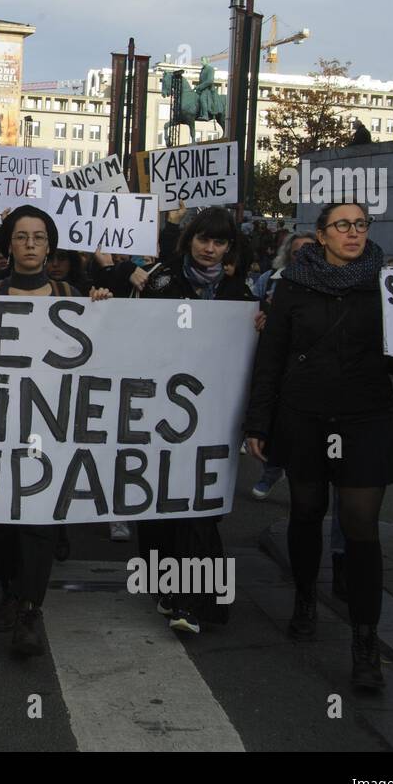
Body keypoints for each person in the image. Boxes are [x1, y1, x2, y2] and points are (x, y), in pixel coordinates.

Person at [245, 201, 393, 689]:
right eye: (342, 225)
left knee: (361, 526)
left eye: (360, 225)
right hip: (304, 419)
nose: (354, 232)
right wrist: (259, 423)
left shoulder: (387, 287)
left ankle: (366, 642)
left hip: (366, 421)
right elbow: (271, 358)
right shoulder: (294, 287)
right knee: (306, 510)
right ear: (321, 235)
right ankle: (304, 597)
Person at [0, 204, 111, 658]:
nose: (31, 245)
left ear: (50, 244)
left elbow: (98, 355)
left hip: (49, 428)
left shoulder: (71, 293)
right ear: (8, 244)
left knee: (38, 520)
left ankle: (29, 608)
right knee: (0, 521)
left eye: (39, 237)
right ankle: (7, 590)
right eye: (21, 237)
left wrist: (102, 307)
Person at [119, 207, 255, 634]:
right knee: (160, 501)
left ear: (229, 247)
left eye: (219, 242)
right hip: (160, 408)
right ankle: (168, 588)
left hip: (212, 413)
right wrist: (124, 286)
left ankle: (193, 602)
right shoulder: (160, 282)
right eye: (203, 240)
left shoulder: (238, 293)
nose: (210, 249)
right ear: (189, 240)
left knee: (199, 505)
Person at [249, 231, 318, 500]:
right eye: (296, 251)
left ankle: (297, 479)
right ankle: (271, 470)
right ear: (288, 254)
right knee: (277, 421)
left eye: (309, 251)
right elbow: (249, 307)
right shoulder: (270, 281)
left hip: (307, 367)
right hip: (277, 361)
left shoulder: (329, 283)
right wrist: (257, 320)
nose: (302, 256)